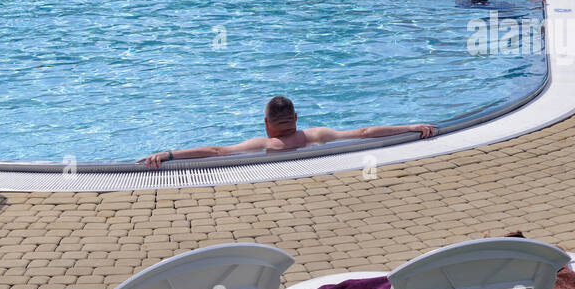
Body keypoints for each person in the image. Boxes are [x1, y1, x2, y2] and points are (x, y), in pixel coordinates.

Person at [139, 96, 435, 167]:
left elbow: (216, 152)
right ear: (296, 117)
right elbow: (366, 132)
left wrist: (168, 154)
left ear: (266, 123)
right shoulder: (318, 136)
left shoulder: (264, 144)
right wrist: (410, 127)